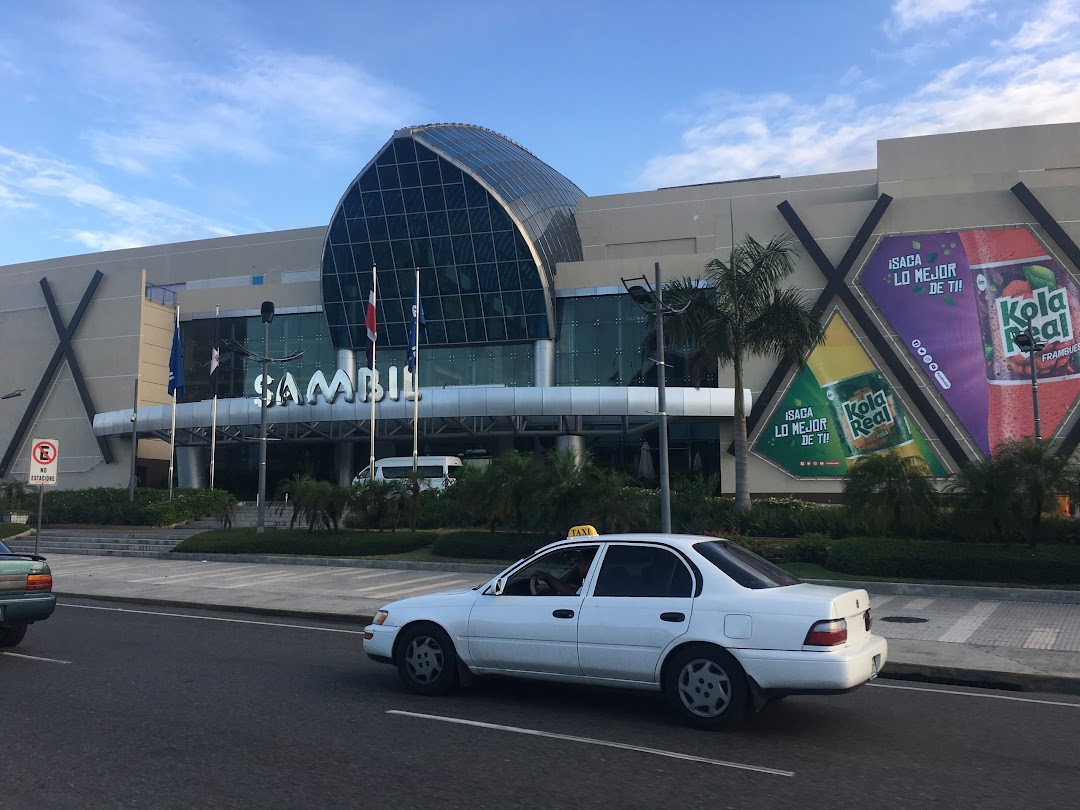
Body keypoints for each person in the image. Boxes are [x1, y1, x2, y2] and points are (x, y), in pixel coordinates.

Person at [530, 548, 595, 596]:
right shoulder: (597, 583)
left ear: (587, 566)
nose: (578, 566)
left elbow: (571, 594)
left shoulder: (595, 585)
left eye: (580, 562)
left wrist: (547, 577)